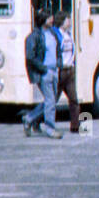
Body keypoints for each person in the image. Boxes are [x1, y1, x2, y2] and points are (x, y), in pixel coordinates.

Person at [21, 10, 63, 139]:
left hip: (54, 70)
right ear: (43, 20)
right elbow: (30, 57)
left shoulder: (52, 33)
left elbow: (58, 50)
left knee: (51, 100)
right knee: (50, 101)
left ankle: (29, 118)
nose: (52, 20)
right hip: (44, 72)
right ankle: (50, 129)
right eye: (49, 18)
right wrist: (43, 69)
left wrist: (59, 64)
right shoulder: (34, 36)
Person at [53, 10, 81, 133]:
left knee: (74, 99)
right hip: (60, 71)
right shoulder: (56, 35)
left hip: (70, 71)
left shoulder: (68, 34)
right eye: (67, 19)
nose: (69, 21)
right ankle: (34, 119)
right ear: (61, 21)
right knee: (52, 100)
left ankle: (75, 125)